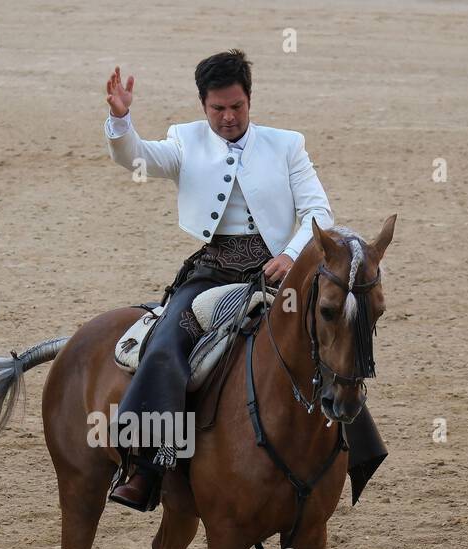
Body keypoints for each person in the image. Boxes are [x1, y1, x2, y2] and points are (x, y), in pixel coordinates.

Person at [103, 49, 386, 511]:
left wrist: (291, 255)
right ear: (203, 105)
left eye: (237, 107)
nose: (229, 117)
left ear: (249, 101)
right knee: (165, 345)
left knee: (330, 339)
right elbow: (137, 158)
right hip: (210, 271)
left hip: (277, 272)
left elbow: (319, 210)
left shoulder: (287, 144)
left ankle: (354, 447)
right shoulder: (184, 140)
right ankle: (149, 465)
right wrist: (121, 121)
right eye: (218, 109)